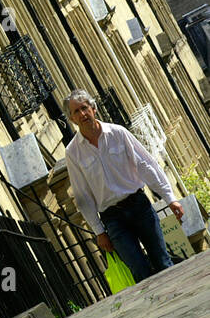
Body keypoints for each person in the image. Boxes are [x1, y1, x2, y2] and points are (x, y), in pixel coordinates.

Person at [63, 89, 183, 283]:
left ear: (93, 109)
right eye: (76, 111)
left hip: (139, 206)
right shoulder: (73, 153)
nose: (82, 114)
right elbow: (82, 195)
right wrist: (99, 232)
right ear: (72, 119)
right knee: (139, 273)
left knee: (163, 263)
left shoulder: (118, 133)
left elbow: (146, 165)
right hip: (113, 219)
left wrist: (170, 198)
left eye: (84, 108)